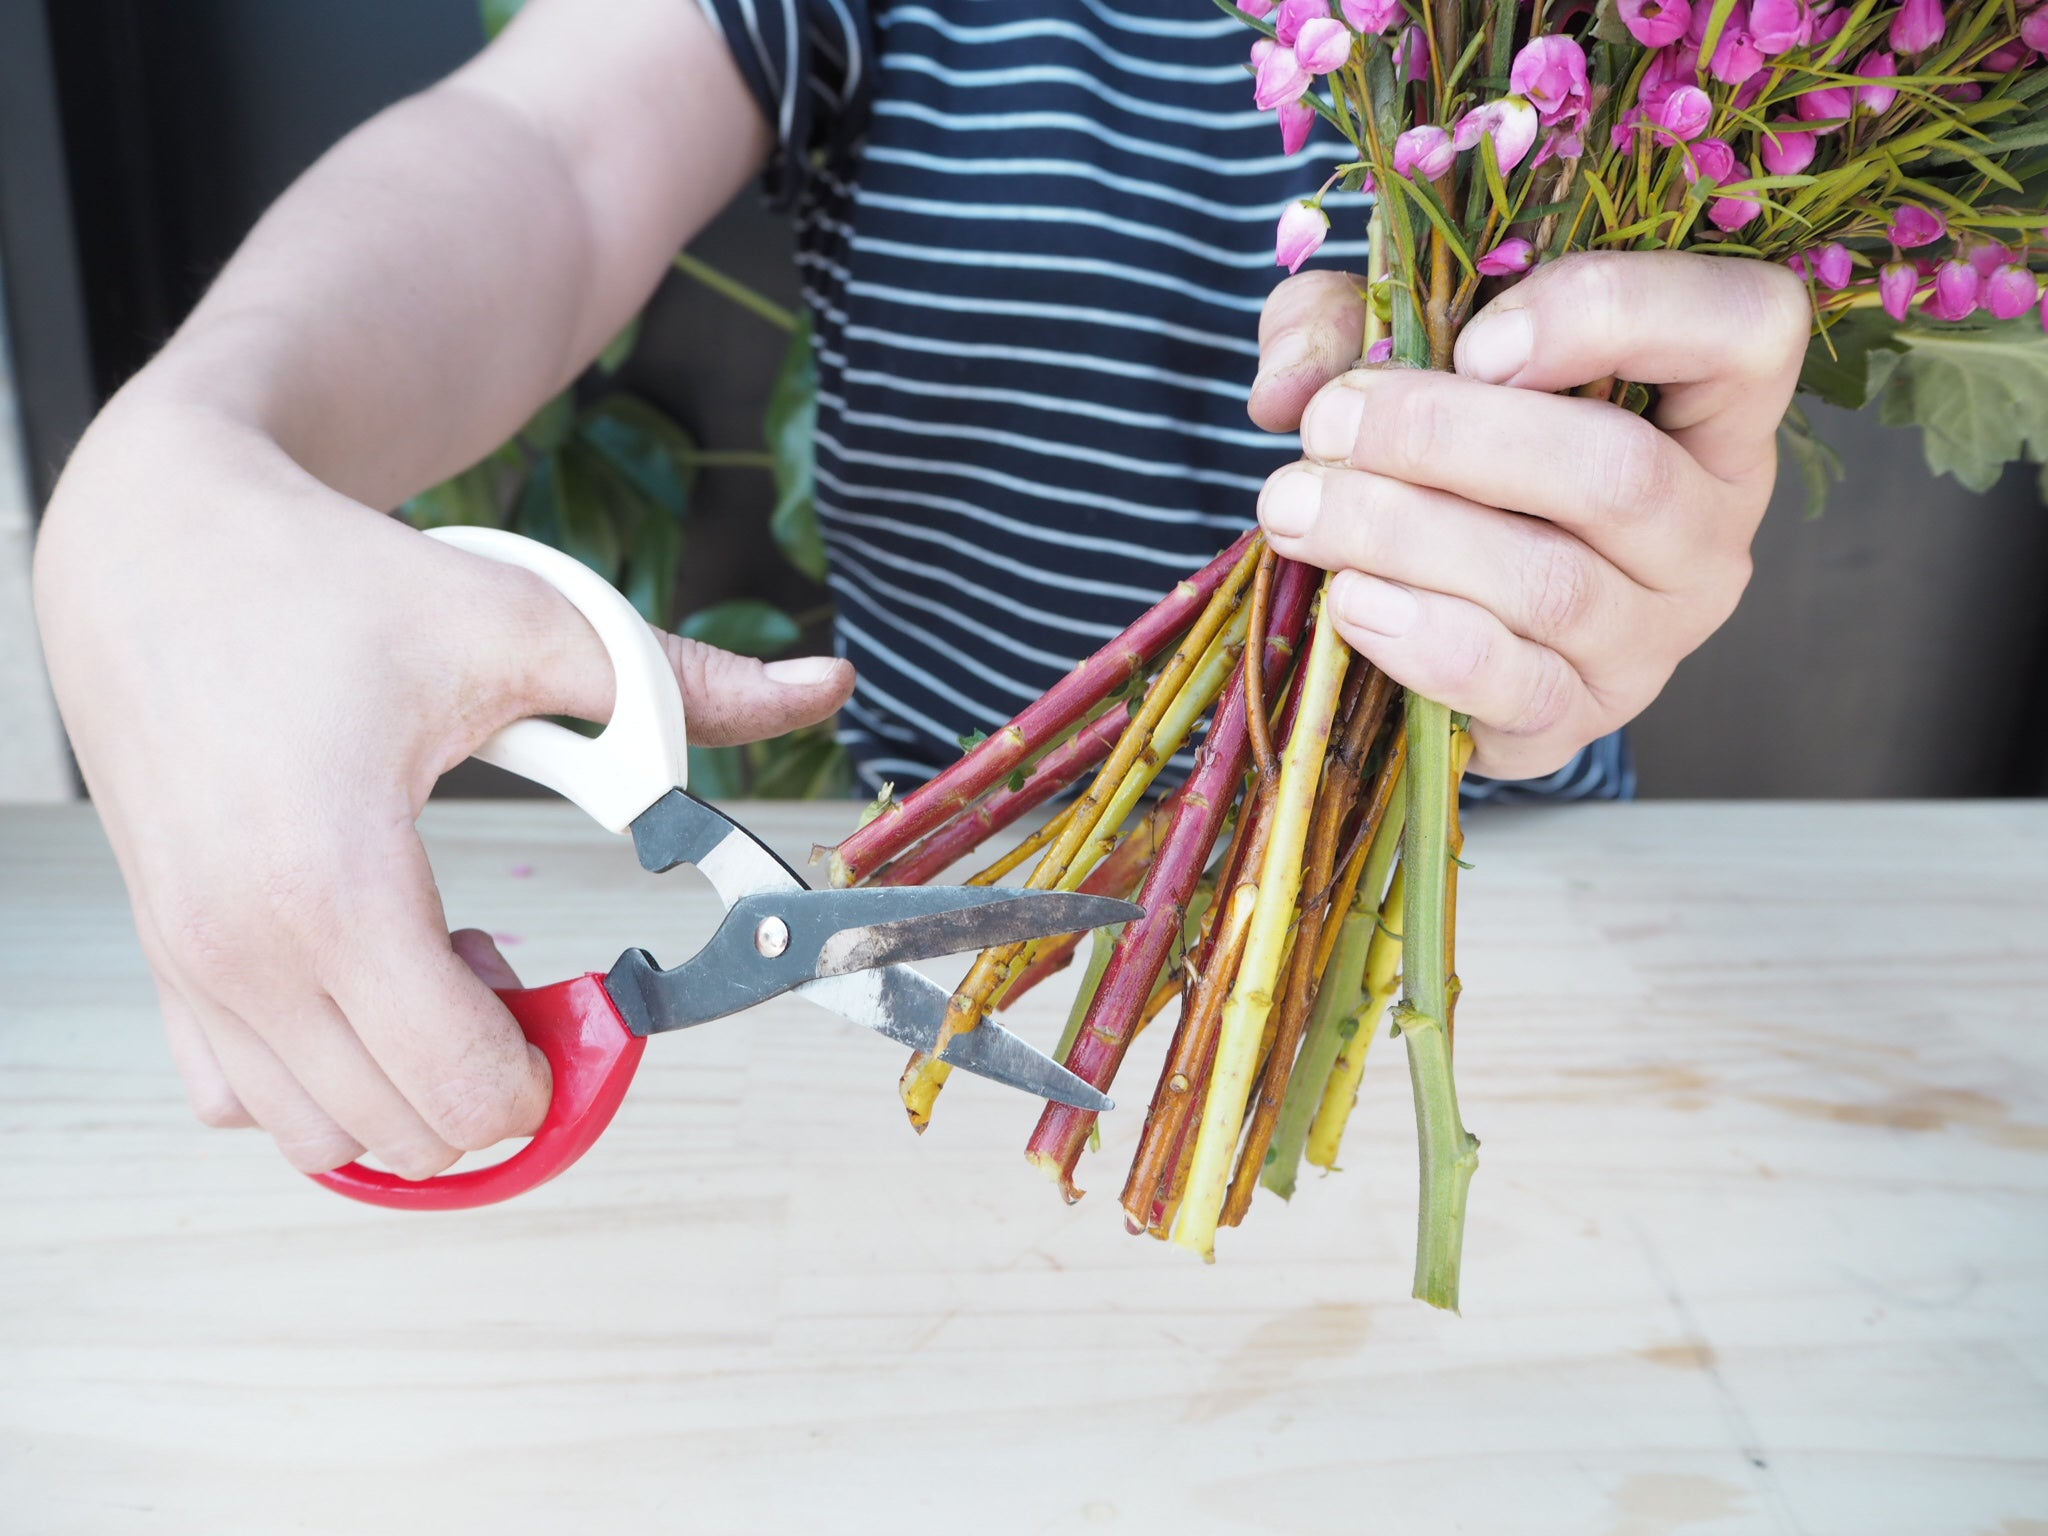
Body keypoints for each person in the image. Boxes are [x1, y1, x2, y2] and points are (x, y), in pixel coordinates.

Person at [30, 0, 1809, 1182]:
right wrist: (177, 460)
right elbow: (545, 157)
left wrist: (1626, 510)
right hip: (942, 899)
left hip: (1521, 920)